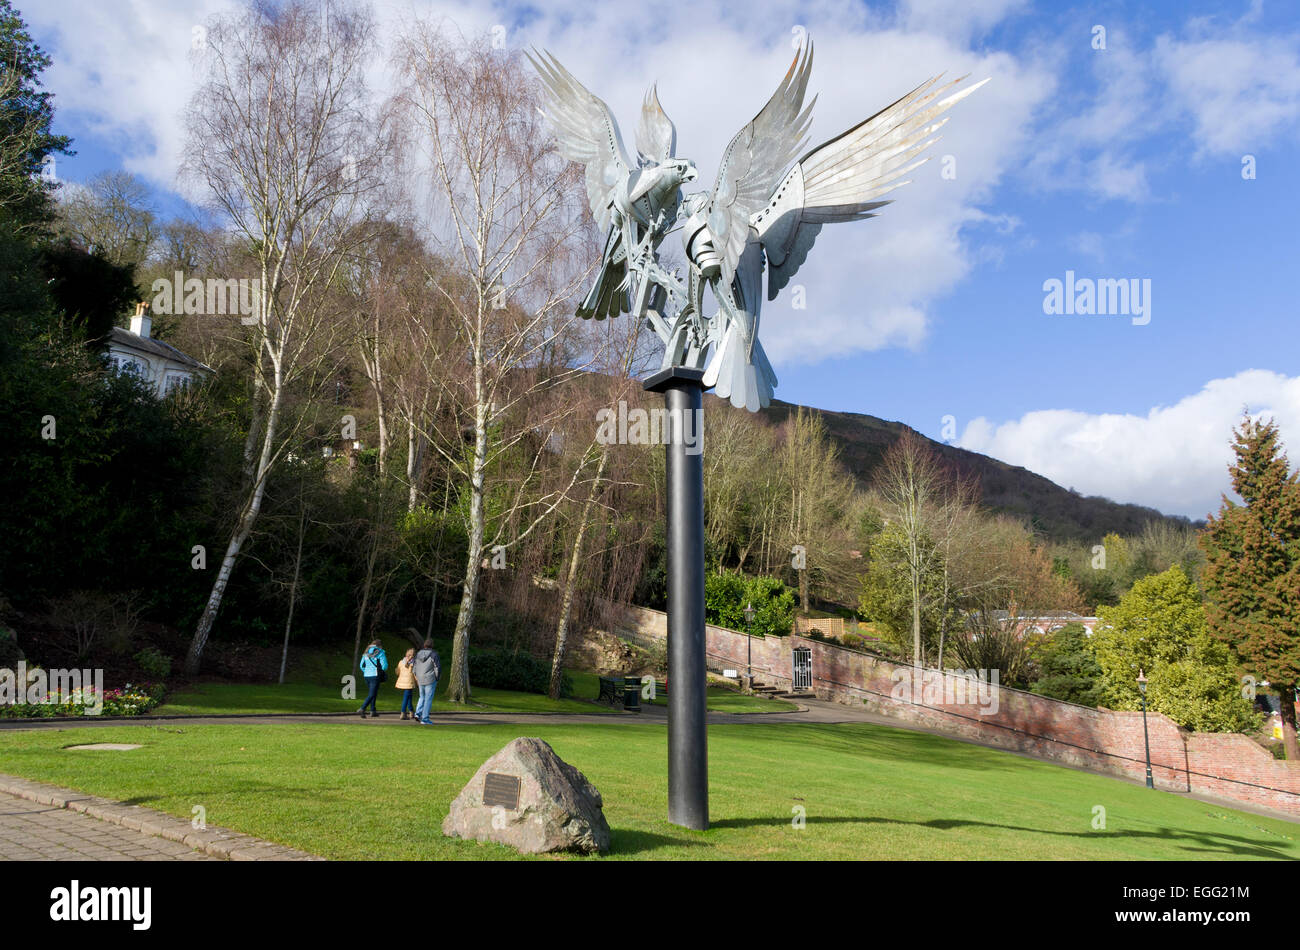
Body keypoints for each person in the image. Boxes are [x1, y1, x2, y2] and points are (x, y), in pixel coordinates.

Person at [357, 639, 388, 718]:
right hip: (375, 675)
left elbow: (361, 666)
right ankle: (362, 708)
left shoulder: (366, 653)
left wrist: (366, 671)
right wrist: (381, 671)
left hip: (367, 675)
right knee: (372, 694)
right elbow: (384, 665)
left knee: (373, 693)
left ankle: (373, 710)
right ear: (379, 645)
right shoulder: (380, 652)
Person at [413, 639, 440, 725]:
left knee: (422, 697)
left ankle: (417, 713)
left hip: (420, 678)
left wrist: (416, 676)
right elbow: (437, 668)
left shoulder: (418, 654)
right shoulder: (434, 654)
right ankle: (425, 719)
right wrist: (437, 677)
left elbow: (414, 666)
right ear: (432, 645)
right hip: (430, 678)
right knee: (428, 699)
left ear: (424, 645)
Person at [395, 647, 418, 720]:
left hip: (402, 681)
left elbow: (397, 672)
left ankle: (411, 711)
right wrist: (418, 682)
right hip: (410, 682)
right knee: (406, 697)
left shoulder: (401, 662)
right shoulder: (414, 663)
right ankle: (403, 713)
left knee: (409, 697)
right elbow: (415, 674)